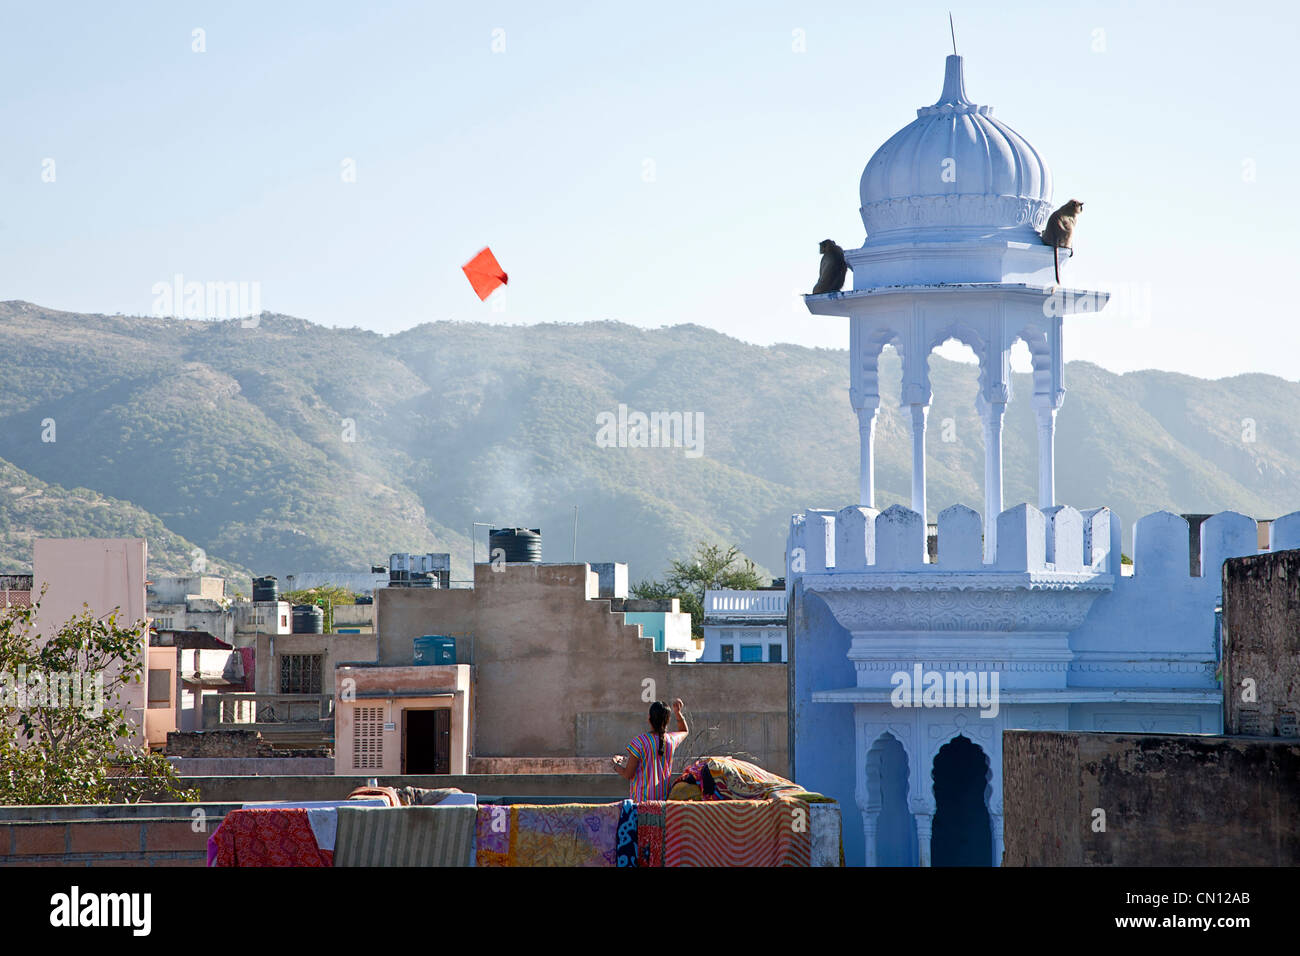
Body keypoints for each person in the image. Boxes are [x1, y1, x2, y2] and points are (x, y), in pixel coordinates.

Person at [611, 698, 689, 801]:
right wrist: (678, 713)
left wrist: (615, 765)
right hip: (663, 805)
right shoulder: (671, 740)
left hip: (640, 804)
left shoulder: (639, 742)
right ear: (667, 720)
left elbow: (628, 774)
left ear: (649, 718)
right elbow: (684, 730)